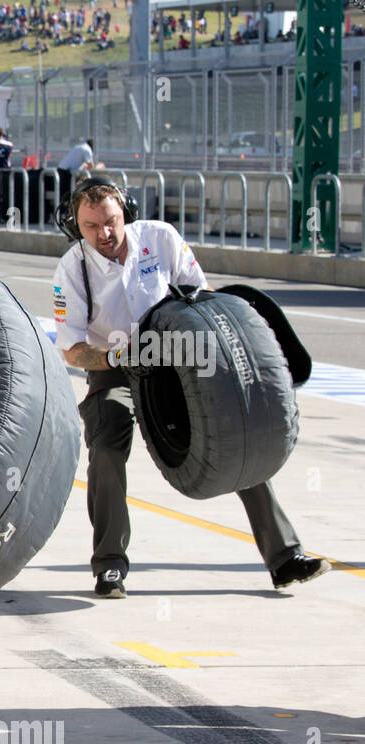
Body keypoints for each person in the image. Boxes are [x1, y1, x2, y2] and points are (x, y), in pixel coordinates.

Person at [52, 177, 329, 598]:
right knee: (106, 443)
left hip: (177, 356)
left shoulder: (160, 238)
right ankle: (109, 567)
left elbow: (201, 297)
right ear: (76, 226)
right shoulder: (73, 268)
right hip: (116, 365)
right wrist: (117, 359)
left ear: (125, 211)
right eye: (91, 226)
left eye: (110, 221)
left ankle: (285, 558)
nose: (104, 234)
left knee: (230, 429)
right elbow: (72, 349)